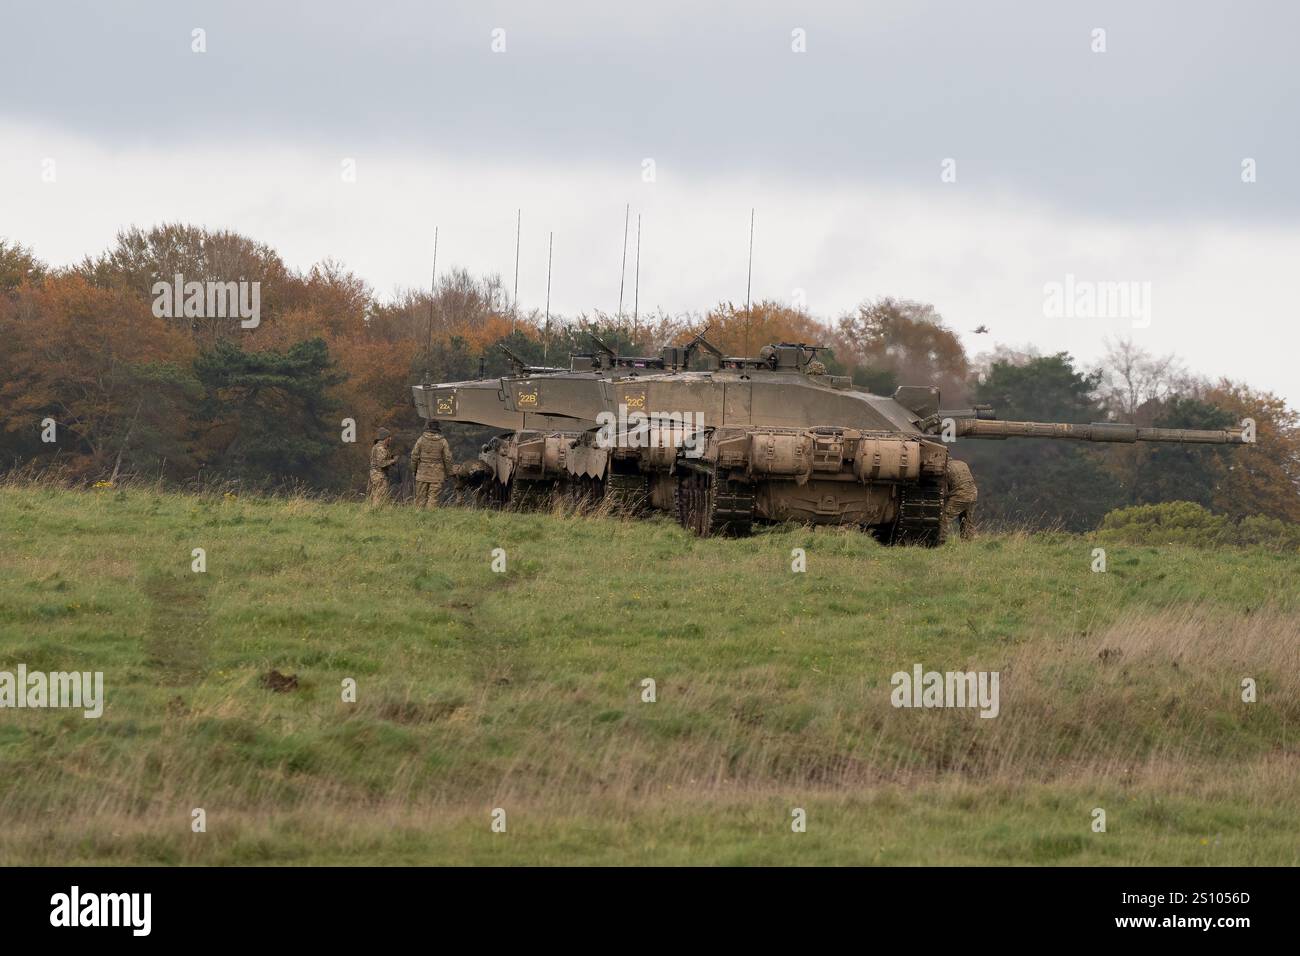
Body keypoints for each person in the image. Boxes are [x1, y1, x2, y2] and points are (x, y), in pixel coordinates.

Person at [410, 422, 455, 509]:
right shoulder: (443, 441)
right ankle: (430, 515)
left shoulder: (421, 439)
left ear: (428, 427)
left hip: (422, 473)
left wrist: (414, 470)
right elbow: (448, 458)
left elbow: (414, 456)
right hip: (437, 475)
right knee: (433, 499)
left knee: (420, 498)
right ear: (438, 428)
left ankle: (418, 515)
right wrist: (449, 473)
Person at [944, 457, 978, 541]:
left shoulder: (946, 468)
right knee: (967, 521)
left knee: (943, 519)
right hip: (973, 493)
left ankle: (939, 541)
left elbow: (944, 490)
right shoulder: (962, 463)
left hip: (960, 495)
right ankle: (969, 542)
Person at [368, 427, 398, 505]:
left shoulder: (378, 447)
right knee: (380, 496)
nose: (390, 439)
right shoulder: (381, 448)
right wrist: (393, 460)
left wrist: (390, 458)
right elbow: (381, 463)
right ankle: (377, 510)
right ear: (385, 438)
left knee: (377, 495)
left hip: (376, 475)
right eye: (389, 437)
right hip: (379, 475)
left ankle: (375, 510)